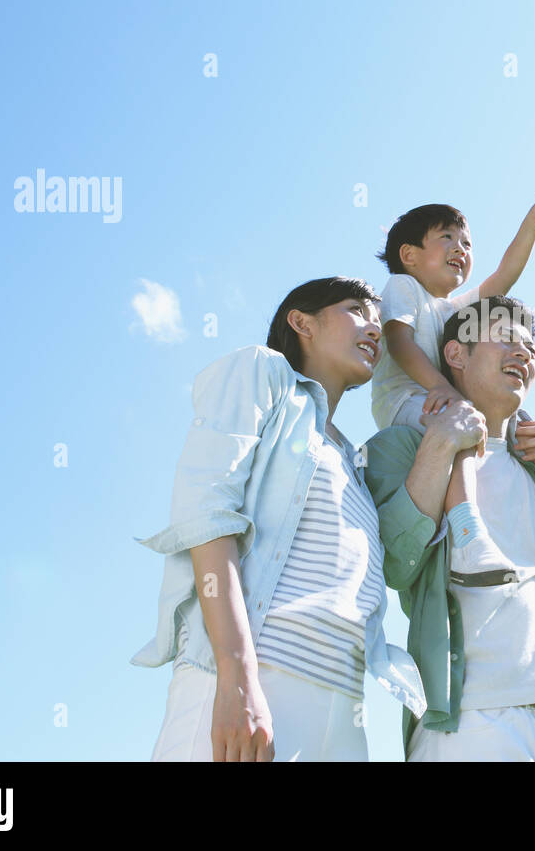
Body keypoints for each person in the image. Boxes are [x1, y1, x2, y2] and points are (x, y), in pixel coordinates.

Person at [131, 277, 425, 761]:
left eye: (378, 320)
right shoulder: (263, 374)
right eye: (356, 310)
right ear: (302, 322)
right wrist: (237, 677)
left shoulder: (352, 458)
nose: (374, 327)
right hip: (256, 679)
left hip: (344, 702)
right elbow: (206, 515)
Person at [362, 295, 535, 760]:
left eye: (531, 348)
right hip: (469, 720)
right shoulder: (401, 448)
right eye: (507, 339)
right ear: (456, 354)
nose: (524, 354)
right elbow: (394, 566)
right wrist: (441, 444)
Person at [369, 190, 535, 609]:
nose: (461, 249)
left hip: (444, 404)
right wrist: (439, 387)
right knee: (462, 426)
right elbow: (399, 342)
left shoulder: (450, 310)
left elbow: (503, 277)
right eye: (447, 238)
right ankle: (466, 537)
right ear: (408, 253)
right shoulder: (402, 288)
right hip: (409, 400)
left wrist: (531, 225)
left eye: (467, 244)